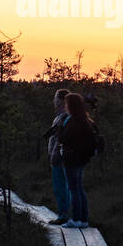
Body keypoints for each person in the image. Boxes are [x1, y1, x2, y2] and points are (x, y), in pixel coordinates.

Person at [57, 92, 97, 229]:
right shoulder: (86, 120)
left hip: (72, 160)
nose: (65, 106)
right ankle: (83, 219)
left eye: (67, 104)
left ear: (71, 106)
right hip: (82, 159)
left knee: (73, 189)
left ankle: (76, 219)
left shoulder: (73, 121)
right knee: (79, 188)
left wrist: (60, 130)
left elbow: (64, 139)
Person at [44, 89, 72, 225]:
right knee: (67, 187)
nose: (54, 101)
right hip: (64, 157)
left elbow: (59, 139)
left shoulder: (62, 117)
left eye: (55, 98)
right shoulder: (67, 116)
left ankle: (63, 215)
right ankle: (67, 214)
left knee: (61, 187)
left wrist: (54, 155)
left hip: (59, 158)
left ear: (61, 100)